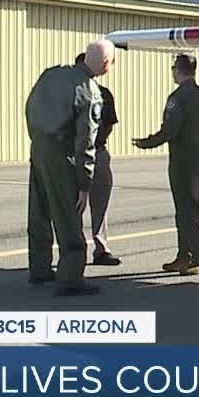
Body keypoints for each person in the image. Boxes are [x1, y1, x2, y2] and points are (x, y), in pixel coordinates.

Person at [24, 38, 115, 296]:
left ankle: (39, 268)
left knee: (39, 210)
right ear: (106, 64)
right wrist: (84, 184)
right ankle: (70, 277)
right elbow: (86, 141)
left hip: (39, 146)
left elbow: (30, 107)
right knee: (67, 214)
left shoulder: (51, 75)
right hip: (62, 153)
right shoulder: (90, 92)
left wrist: (38, 138)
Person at [133, 53, 199, 275]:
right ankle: (184, 256)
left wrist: (147, 142)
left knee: (187, 209)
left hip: (183, 160)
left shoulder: (178, 98)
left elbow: (171, 130)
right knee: (187, 208)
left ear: (177, 70)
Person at [75, 53, 122, 267]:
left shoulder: (103, 94)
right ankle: (74, 249)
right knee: (74, 202)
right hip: (74, 154)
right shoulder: (71, 93)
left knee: (100, 200)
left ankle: (101, 247)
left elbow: (110, 122)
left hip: (98, 151)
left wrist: (98, 141)